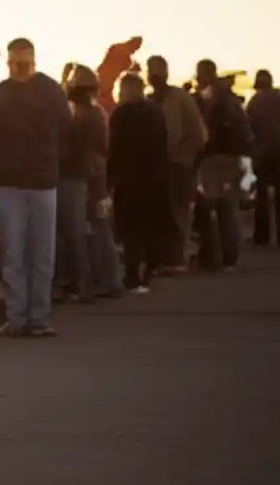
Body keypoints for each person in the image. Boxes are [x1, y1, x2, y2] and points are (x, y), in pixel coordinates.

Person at [0, 38, 71, 338]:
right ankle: (18, 318)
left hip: (42, 181)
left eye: (23, 63)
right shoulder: (0, 94)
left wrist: (50, 159)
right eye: (13, 64)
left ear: (33, 60)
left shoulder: (49, 90)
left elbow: (66, 131)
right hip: (10, 182)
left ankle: (38, 318)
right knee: (14, 253)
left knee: (41, 254)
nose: (18, 69)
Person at [108, 72, 172, 294]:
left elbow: (114, 148)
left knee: (131, 230)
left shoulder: (121, 115)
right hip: (154, 177)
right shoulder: (155, 112)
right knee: (149, 227)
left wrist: (110, 178)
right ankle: (149, 269)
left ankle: (134, 273)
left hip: (130, 179)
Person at [146, 55, 208, 274]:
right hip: (162, 165)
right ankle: (167, 258)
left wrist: (186, 157)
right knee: (164, 213)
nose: (152, 76)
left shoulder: (177, 98)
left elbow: (190, 134)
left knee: (178, 212)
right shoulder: (153, 100)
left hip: (178, 163)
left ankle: (177, 259)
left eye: (156, 71)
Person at [194, 59, 253, 271]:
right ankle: (230, 256)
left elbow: (206, 127)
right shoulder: (230, 97)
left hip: (216, 156)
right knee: (228, 207)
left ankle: (219, 256)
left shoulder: (213, 96)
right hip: (233, 156)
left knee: (215, 206)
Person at [56, 63, 107, 303]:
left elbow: (69, 147)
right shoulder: (94, 113)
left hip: (72, 177)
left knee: (73, 232)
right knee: (84, 231)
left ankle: (79, 284)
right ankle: (83, 282)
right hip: (84, 177)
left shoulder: (79, 114)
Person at [245, 70, 280, 248]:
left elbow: (248, 126)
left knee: (262, 195)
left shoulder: (255, 101)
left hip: (263, 151)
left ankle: (262, 236)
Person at [96, 35, 144, 115]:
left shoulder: (125, 54)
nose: (136, 50)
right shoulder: (119, 49)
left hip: (109, 81)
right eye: (137, 46)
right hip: (105, 78)